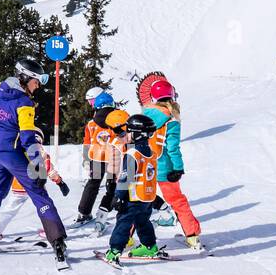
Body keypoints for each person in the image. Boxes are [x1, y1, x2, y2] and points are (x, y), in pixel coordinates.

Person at [0, 58, 69, 266]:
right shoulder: (24, 104)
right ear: (25, 78)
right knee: (39, 193)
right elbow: (27, 137)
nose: (38, 86)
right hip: (14, 154)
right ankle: (58, 240)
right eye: (36, 81)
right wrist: (38, 165)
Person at [141, 78, 203, 249]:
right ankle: (192, 237)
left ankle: (127, 238)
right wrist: (178, 168)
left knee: (138, 202)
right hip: (166, 168)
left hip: (145, 166)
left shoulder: (143, 115)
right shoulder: (172, 120)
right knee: (178, 202)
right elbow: (173, 148)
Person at [0, 130, 69, 242]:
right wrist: (60, 182)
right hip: (36, 186)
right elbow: (49, 169)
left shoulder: (17, 149)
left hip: (19, 185)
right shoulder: (40, 151)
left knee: (9, 209)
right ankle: (51, 231)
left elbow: (7, 165)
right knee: (45, 207)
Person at [103, 113, 160, 264]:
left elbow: (125, 177)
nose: (126, 134)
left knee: (123, 222)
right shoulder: (151, 153)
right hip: (147, 197)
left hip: (132, 197)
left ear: (136, 134)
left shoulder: (132, 153)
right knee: (143, 222)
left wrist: (118, 196)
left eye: (128, 131)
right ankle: (149, 246)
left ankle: (114, 251)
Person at [75, 97, 127, 225]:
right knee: (112, 185)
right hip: (113, 158)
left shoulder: (91, 123)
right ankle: (104, 212)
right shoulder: (116, 120)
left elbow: (87, 142)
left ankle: (84, 212)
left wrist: (86, 158)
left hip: (97, 157)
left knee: (93, 183)